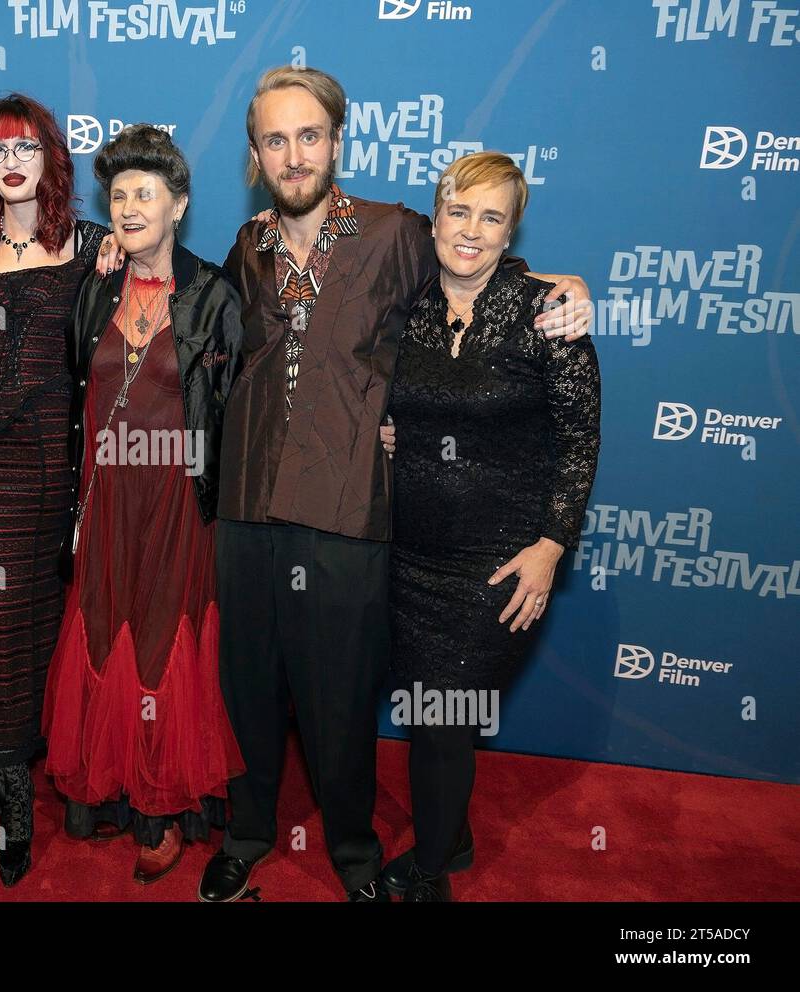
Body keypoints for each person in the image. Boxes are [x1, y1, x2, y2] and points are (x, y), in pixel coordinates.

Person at [199, 66, 595, 902]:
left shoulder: (395, 232)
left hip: (346, 510)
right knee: (249, 686)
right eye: (276, 140)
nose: (294, 155)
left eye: (310, 136)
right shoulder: (248, 246)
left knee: (341, 699)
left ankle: (352, 852)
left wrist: (564, 288)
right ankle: (248, 831)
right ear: (255, 157)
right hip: (246, 504)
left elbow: (474, 260)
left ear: (337, 142)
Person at [378, 152, 601, 901]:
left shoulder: (550, 315)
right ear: (435, 219)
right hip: (407, 554)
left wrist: (550, 547)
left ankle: (429, 873)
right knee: (429, 717)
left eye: (492, 217)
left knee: (445, 719)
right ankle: (455, 839)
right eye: (459, 211)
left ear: (511, 233)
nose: (471, 230)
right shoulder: (404, 307)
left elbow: (579, 440)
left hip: (498, 565)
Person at [41, 124, 246, 886]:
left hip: (176, 500)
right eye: (119, 194)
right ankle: (105, 784)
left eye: (145, 194)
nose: (129, 207)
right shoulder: (96, 284)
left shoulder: (214, 295)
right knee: (102, 624)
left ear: (178, 205)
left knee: (161, 638)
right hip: (105, 497)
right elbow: (77, 385)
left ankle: (159, 806)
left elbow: (234, 408)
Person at [0, 93, 111, 887]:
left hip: (60, 461)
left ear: (51, 159)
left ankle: (46, 746)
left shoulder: (92, 244)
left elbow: (170, 304)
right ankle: (11, 783)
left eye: (26, 148)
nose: (12, 163)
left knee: (51, 613)